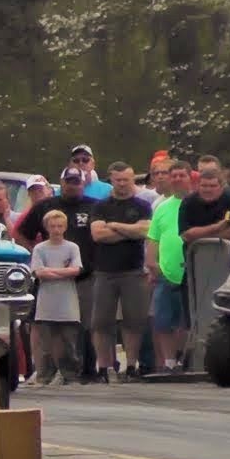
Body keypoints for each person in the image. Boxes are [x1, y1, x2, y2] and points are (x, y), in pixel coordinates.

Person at [18, 168, 100, 381]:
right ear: (61, 182)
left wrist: (55, 271)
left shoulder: (94, 206)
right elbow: (22, 233)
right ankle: (46, 371)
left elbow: (77, 266)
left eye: (76, 181)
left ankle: (85, 371)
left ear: (83, 183)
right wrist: (39, 260)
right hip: (48, 286)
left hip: (85, 278)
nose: (72, 185)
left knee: (82, 327)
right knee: (47, 326)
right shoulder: (45, 206)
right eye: (68, 181)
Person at [89, 162, 152, 383]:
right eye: (118, 180)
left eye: (127, 179)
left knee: (134, 320)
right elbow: (98, 235)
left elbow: (145, 230)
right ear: (111, 180)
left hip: (133, 270)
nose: (123, 184)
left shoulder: (142, 205)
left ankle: (132, 365)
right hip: (105, 271)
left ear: (133, 179)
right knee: (101, 321)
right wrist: (130, 230)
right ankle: (104, 366)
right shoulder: (100, 206)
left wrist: (114, 225)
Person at [146, 162, 193, 373]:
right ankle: (169, 362)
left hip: (192, 272)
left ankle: (184, 359)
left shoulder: (197, 203)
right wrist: (151, 263)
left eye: (181, 175)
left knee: (186, 319)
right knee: (163, 319)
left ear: (189, 177)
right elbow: (153, 238)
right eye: (173, 176)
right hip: (165, 271)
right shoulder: (162, 207)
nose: (176, 179)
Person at [29, 211, 83, 386]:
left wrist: (51, 271)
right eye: (53, 226)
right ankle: (44, 375)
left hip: (68, 302)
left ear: (65, 227)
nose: (56, 230)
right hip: (46, 301)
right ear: (46, 228)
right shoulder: (40, 248)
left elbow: (76, 270)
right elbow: (38, 272)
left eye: (60, 226)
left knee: (69, 341)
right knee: (46, 343)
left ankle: (71, 374)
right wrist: (63, 272)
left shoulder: (72, 247)